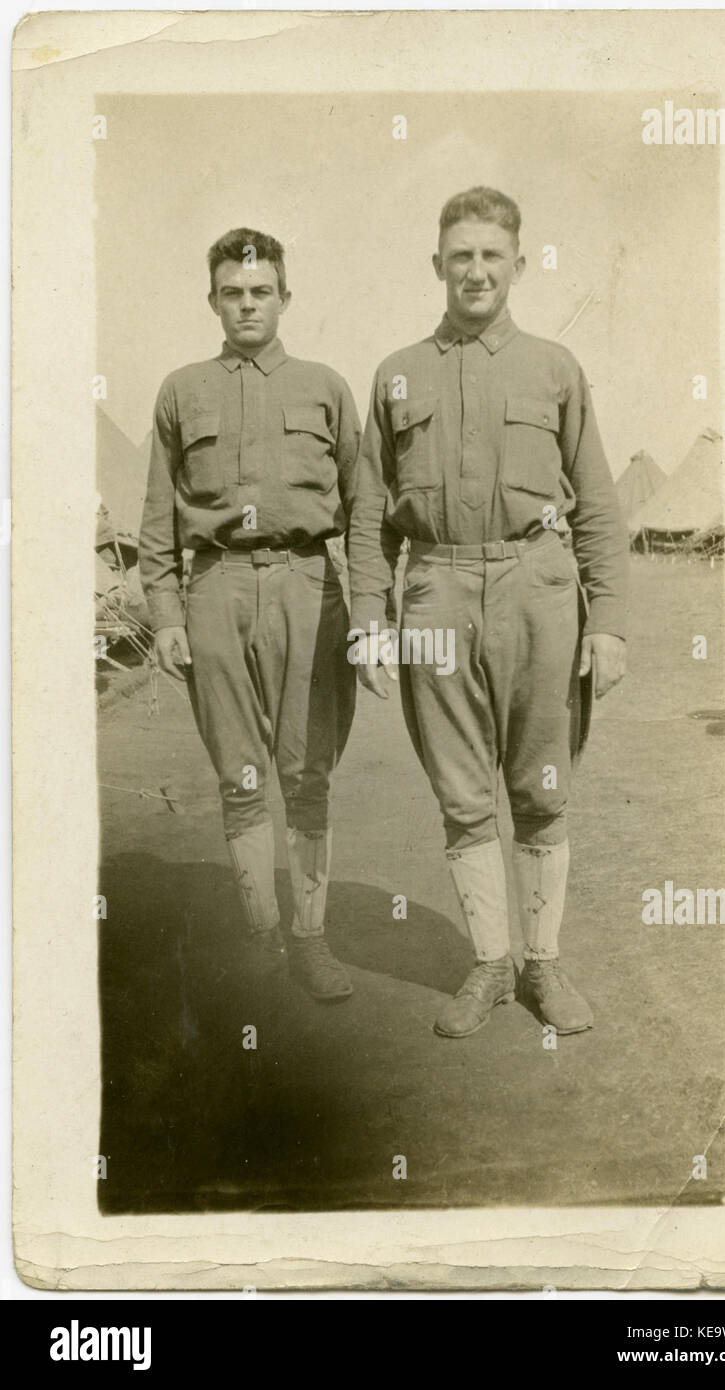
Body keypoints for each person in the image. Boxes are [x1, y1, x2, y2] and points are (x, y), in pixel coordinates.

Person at [347, 187, 628, 1038]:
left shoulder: (555, 368)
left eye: (491, 255)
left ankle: (542, 966)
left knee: (542, 788)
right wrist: (371, 619)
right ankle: (490, 964)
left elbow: (600, 509)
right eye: (460, 255)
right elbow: (368, 512)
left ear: (519, 264)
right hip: (434, 587)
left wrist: (608, 622)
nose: (476, 271)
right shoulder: (397, 372)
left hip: (538, 590)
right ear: (438, 265)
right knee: (463, 796)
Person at [139, 228, 361, 1001]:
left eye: (260, 291)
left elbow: (363, 512)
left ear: (285, 298)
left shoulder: (327, 387)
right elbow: (157, 518)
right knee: (239, 777)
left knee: (307, 776)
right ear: (213, 301)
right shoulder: (180, 391)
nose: (246, 305)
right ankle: (264, 941)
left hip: (307, 585)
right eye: (232, 293)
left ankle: (312, 942)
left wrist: (367, 612)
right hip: (217, 591)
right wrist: (165, 612)